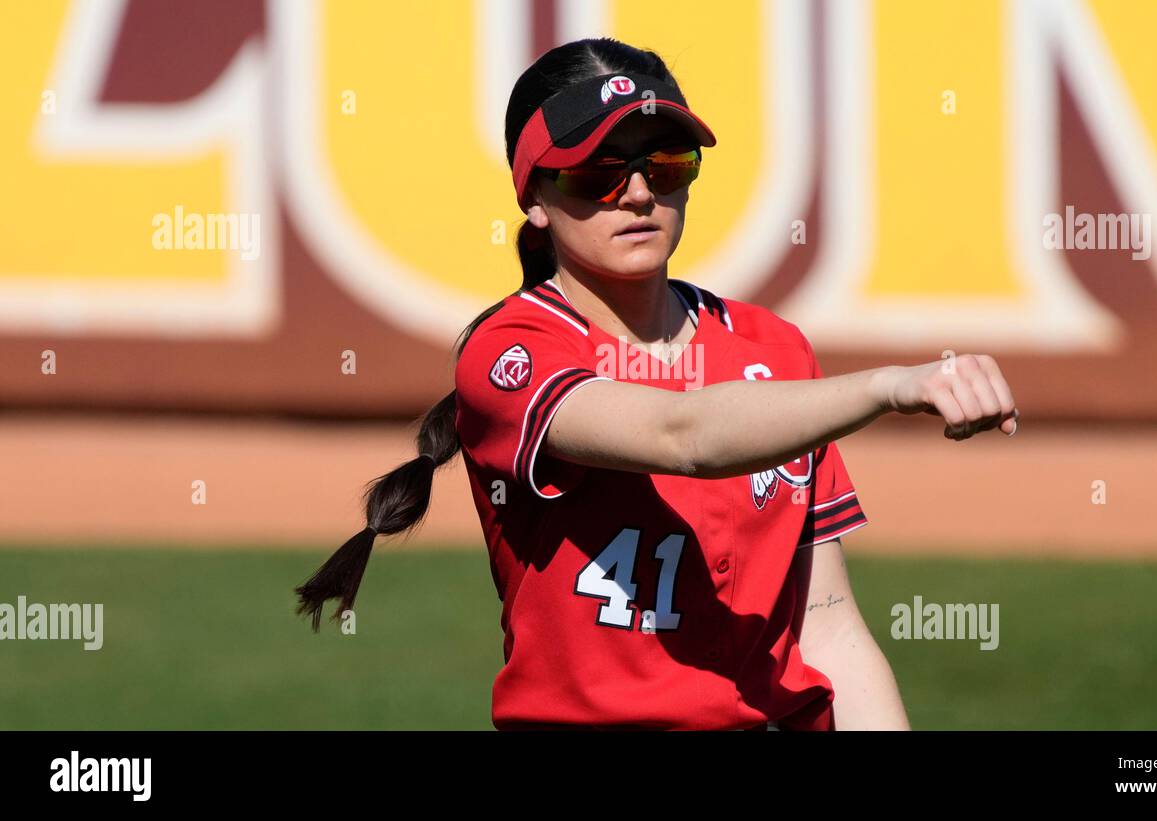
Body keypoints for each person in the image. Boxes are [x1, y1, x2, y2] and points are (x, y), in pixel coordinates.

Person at [296, 37, 1018, 731]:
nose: (638, 192)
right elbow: (686, 435)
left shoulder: (776, 350)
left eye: (666, 163)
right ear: (534, 198)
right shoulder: (508, 354)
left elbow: (826, 627)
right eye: (596, 171)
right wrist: (889, 386)